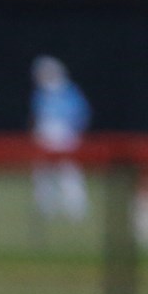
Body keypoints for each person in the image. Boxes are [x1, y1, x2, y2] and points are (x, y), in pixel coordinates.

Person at [29, 55, 90, 225]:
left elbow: (81, 114)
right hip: (44, 136)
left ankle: (76, 208)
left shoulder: (69, 92)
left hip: (65, 136)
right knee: (42, 173)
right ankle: (45, 207)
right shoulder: (40, 94)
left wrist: (75, 133)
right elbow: (37, 117)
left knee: (68, 172)